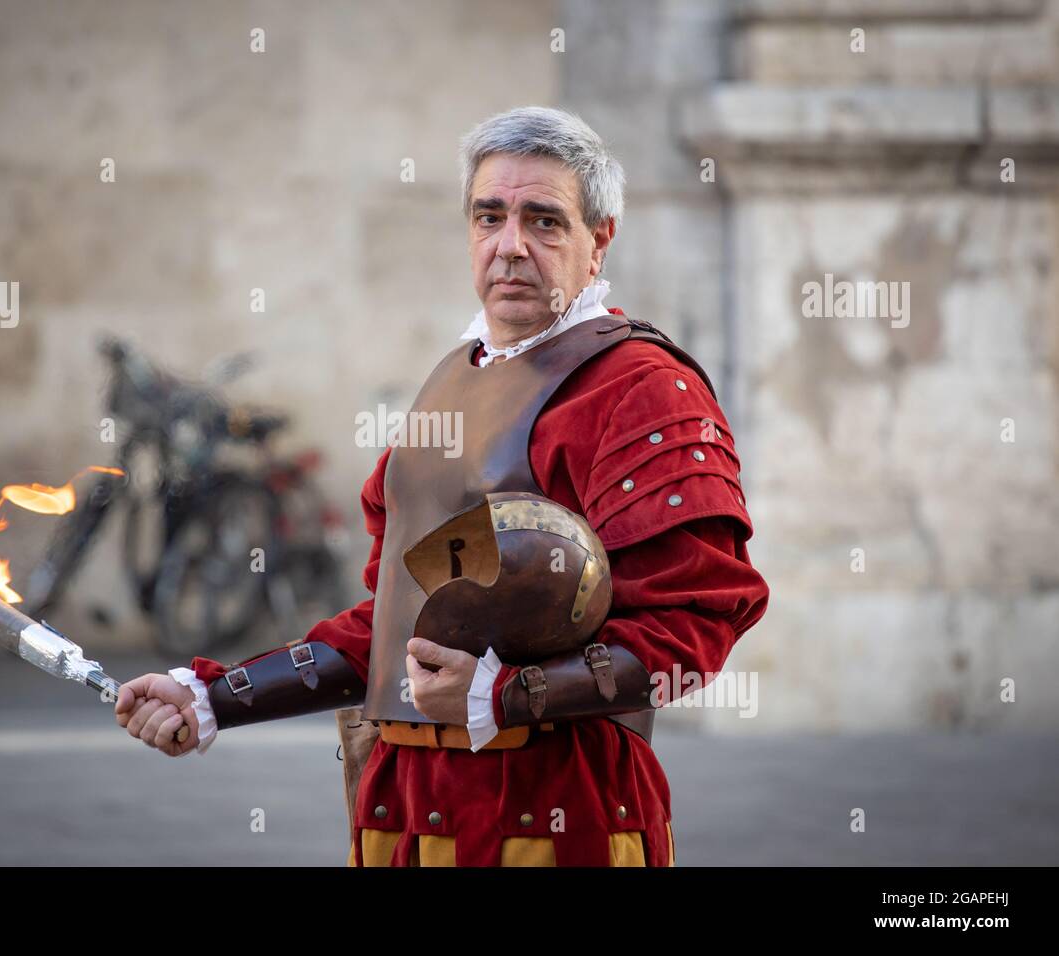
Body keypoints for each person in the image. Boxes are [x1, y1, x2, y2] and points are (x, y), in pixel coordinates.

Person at [115, 105, 769, 867]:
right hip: (404, 810)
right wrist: (212, 697)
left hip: (561, 816)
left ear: (600, 241)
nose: (511, 245)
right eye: (489, 216)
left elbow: (695, 626)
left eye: (545, 221)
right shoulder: (453, 380)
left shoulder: (643, 389)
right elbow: (399, 622)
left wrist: (508, 696)